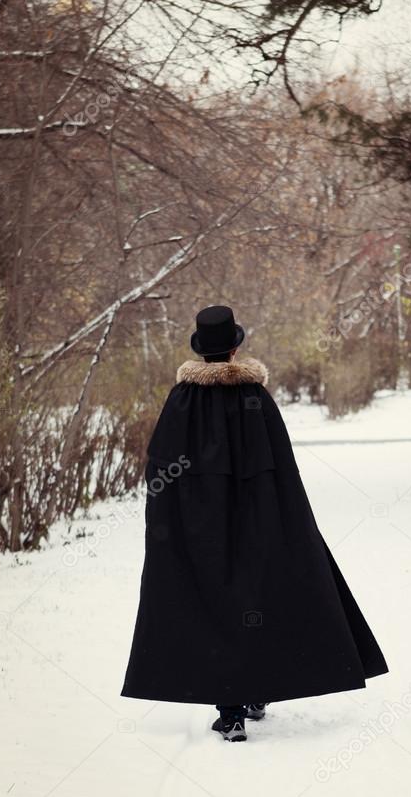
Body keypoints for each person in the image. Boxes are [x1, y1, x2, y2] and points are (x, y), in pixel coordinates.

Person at [121, 305, 389, 742]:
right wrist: (288, 525)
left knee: (213, 601)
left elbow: (161, 470)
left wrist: (173, 524)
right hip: (259, 520)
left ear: (201, 351)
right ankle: (257, 691)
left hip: (201, 524)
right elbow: (283, 470)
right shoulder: (255, 399)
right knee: (259, 597)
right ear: (235, 347)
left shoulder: (181, 400)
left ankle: (231, 713)